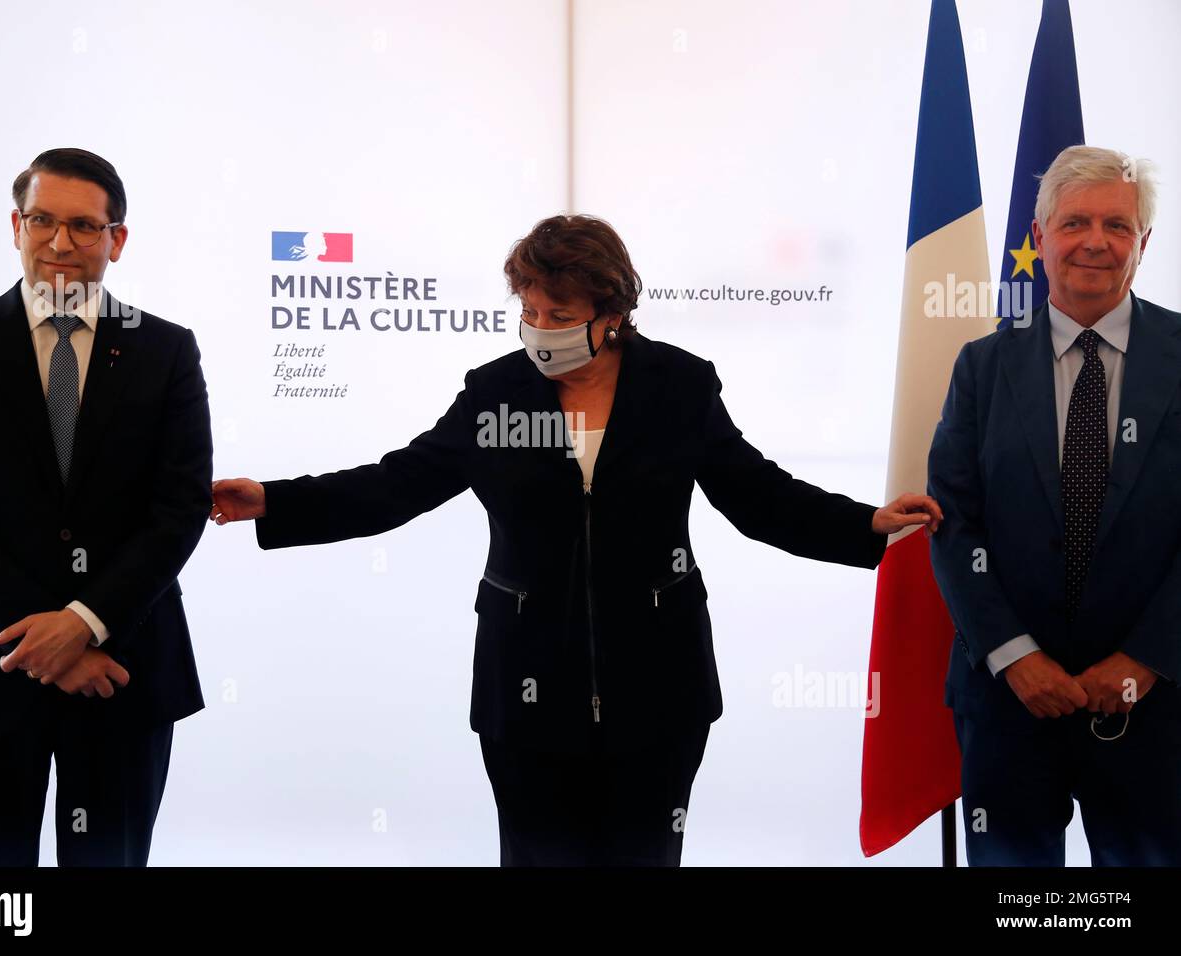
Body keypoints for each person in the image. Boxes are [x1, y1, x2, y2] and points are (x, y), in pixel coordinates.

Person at [212, 214, 940, 866]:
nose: (538, 329)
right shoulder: (494, 392)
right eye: (527, 310)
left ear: (613, 315)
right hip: (525, 689)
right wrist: (276, 502)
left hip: (660, 686)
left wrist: (864, 523)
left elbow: (757, 494)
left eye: (559, 314)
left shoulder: (678, 387)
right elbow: (400, 482)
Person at [0, 148, 213, 866]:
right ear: (16, 225)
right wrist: (43, 645)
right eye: (42, 221)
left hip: (121, 668)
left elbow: (179, 507)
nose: (60, 243)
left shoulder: (167, 351)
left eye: (83, 225)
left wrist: (84, 623)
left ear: (117, 239)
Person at [928, 145, 1181, 865]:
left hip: (1156, 708)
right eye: (1074, 223)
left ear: (1144, 242)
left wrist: (1143, 659)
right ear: (1040, 238)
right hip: (1008, 706)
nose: (1096, 241)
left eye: (1117, 224)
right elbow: (953, 524)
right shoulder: (981, 366)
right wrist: (1017, 659)